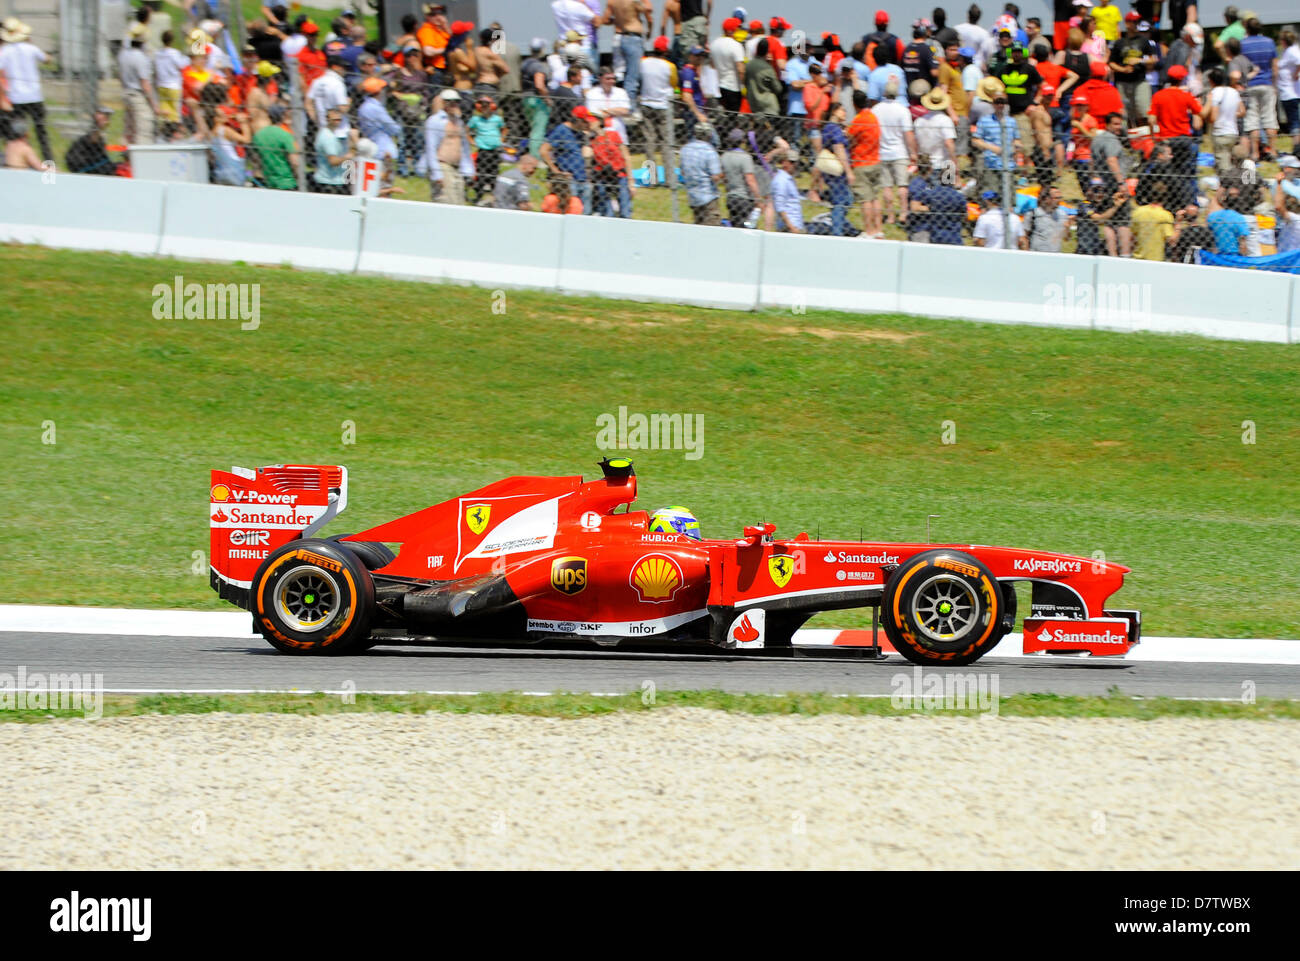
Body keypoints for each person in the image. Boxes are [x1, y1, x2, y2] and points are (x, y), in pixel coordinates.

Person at [0, 20, 50, 160]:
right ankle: (48, 162)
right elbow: (47, 59)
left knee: (17, 132)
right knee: (41, 132)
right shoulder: (31, 48)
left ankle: (17, 159)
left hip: (16, 98)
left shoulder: (5, 52)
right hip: (35, 96)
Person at [872, 77, 916, 227]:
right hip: (900, 152)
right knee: (902, 185)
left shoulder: (876, 109)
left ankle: (890, 215)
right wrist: (913, 153)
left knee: (887, 186)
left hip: (882, 152)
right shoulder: (902, 110)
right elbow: (908, 134)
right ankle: (903, 213)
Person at [540, 103, 592, 213]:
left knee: (586, 212)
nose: (587, 124)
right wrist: (555, 170)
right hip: (570, 179)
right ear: (577, 120)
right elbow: (543, 150)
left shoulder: (581, 134)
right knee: (572, 210)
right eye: (585, 121)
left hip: (583, 178)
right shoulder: (561, 131)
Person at [425, 90, 475, 204]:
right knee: (446, 201)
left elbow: (465, 148)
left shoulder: (459, 122)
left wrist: (468, 171)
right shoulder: (435, 121)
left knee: (459, 203)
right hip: (443, 166)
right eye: (450, 102)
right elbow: (431, 148)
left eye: (456, 102)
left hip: (458, 168)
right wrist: (436, 173)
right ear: (443, 103)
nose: (454, 104)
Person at [639, 36, 677, 186]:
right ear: (666, 50)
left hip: (646, 103)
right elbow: (673, 83)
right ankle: (669, 179)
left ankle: (652, 178)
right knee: (666, 144)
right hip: (663, 106)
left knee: (649, 143)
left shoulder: (643, 62)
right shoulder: (669, 66)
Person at [1239, 16, 1277, 161]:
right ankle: (1272, 151)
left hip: (1250, 84)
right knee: (1270, 118)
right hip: (1266, 83)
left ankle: (1255, 153)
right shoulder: (1270, 42)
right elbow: (1274, 65)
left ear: (1247, 28)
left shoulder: (1243, 44)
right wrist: (1274, 82)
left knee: (1252, 119)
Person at [972, 91, 1019, 194]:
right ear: (992, 104)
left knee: (1009, 197)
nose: (1000, 105)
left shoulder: (1011, 121)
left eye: (1003, 102)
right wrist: (992, 148)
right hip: (991, 164)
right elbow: (975, 140)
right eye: (997, 102)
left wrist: (1016, 147)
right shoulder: (984, 120)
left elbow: (1016, 139)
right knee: (990, 196)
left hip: (1008, 164)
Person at [118, 22, 157, 145]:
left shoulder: (123, 54)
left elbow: (120, 75)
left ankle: (127, 156)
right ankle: (142, 157)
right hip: (138, 96)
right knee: (144, 128)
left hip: (126, 92)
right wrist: (154, 105)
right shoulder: (140, 57)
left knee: (129, 128)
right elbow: (145, 84)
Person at [819, 101, 854, 235]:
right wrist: (848, 171)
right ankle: (837, 232)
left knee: (847, 200)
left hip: (836, 172)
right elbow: (838, 148)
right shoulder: (834, 129)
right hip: (838, 172)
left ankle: (836, 221)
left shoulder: (832, 128)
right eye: (842, 110)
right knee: (841, 202)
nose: (845, 113)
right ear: (834, 111)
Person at [589, 115, 635, 217]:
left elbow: (626, 157)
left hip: (619, 175)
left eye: (591, 121)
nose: (589, 123)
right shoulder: (591, 141)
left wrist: (631, 180)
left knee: (625, 211)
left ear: (599, 122)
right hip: (602, 177)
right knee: (608, 213)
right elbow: (587, 156)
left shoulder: (613, 135)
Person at [606, 0, 651, 103]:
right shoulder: (633, 1)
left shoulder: (614, 2)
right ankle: (630, 108)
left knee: (621, 74)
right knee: (632, 77)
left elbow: (606, 19)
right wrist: (649, 30)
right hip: (633, 38)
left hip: (622, 37)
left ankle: (620, 102)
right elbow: (648, 11)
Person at [680, 122, 724, 225]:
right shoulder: (709, 151)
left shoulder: (685, 149)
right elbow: (716, 176)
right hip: (708, 196)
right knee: (711, 229)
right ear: (709, 135)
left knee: (698, 226)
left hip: (692, 196)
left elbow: (682, 171)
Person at [1203, 66, 1244, 173]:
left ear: (1211, 81)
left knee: (1223, 167)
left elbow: (1213, 118)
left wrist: (1205, 117)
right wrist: (1229, 114)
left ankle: (1227, 185)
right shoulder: (1234, 92)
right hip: (1233, 132)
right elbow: (1242, 111)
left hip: (1220, 133)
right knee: (1230, 162)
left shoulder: (1214, 93)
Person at [466, 93, 506, 202]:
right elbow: (467, 130)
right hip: (483, 150)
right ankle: (478, 197)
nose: (484, 108)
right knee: (481, 174)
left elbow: (504, 129)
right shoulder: (476, 119)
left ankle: (495, 199)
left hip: (494, 151)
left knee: (494, 174)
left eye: (487, 105)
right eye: (482, 105)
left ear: (491, 106)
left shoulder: (497, 119)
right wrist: (471, 141)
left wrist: (501, 140)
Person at [1130, 180, 1183, 260]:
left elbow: (1132, 236)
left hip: (1137, 257)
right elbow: (1172, 240)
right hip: (1155, 259)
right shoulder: (1165, 215)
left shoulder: (1138, 211)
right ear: (1165, 197)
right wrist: (1178, 222)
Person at [251, 103, 299, 189]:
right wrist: (298, 177)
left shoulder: (258, 135)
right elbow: (294, 161)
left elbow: (256, 159)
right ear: (283, 116)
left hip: (269, 180)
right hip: (287, 181)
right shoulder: (285, 135)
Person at [721, 127, 762, 227]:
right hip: (743, 198)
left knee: (735, 224)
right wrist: (758, 197)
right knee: (747, 226)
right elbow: (750, 179)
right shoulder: (745, 157)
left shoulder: (724, 156)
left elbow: (724, 178)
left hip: (731, 197)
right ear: (742, 141)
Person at [314, 102, 356, 194]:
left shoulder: (328, 134)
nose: (338, 118)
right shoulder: (328, 137)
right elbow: (333, 161)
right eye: (335, 115)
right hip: (329, 183)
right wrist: (348, 156)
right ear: (327, 118)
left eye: (339, 116)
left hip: (331, 180)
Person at [1020, 183, 1072, 250]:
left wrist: (1067, 229)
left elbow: (1067, 238)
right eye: (1056, 198)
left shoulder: (1062, 215)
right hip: (1036, 255)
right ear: (1047, 199)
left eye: (1060, 198)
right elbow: (1024, 236)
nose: (1059, 201)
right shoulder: (1033, 214)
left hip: (1055, 256)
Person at [65, 106, 116, 175]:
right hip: (84, 166)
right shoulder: (93, 136)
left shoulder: (97, 137)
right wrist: (98, 126)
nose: (107, 120)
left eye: (107, 118)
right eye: (105, 117)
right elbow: (93, 138)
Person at [712, 17, 746, 112]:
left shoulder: (714, 43)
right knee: (732, 117)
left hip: (719, 86)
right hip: (733, 87)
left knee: (723, 116)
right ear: (731, 30)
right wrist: (744, 85)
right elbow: (741, 69)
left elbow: (712, 65)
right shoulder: (736, 45)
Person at [770, 147, 805, 232]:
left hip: (793, 225)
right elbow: (780, 207)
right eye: (791, 162)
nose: (794, 165)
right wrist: (791, 227)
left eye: (796, 162)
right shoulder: (781, 181)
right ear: (784, 162)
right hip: (787, 227)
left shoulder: (788, 179)